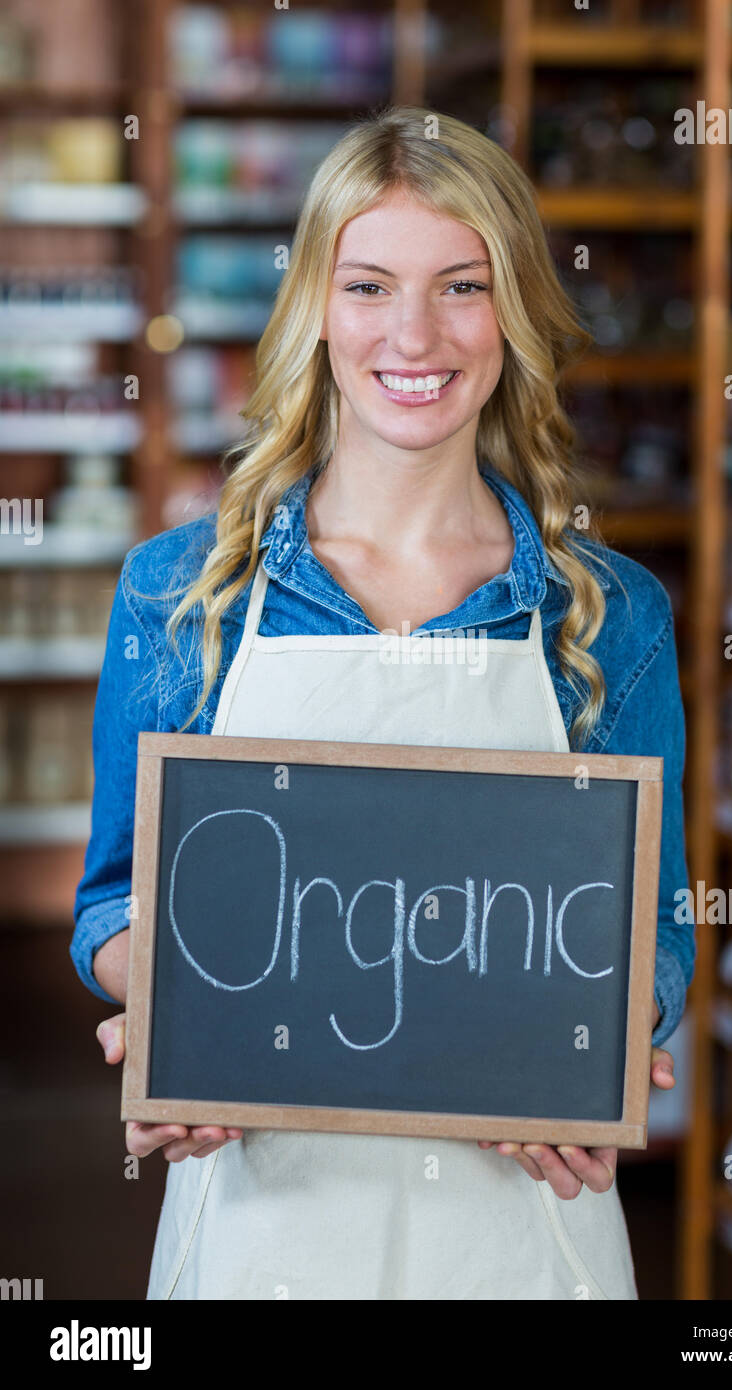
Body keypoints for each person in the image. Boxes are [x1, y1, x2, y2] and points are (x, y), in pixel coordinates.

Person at [72, 107, 694, 1301]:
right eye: (368, 284)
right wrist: (169, 1008)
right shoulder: (181, 593)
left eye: (461, 285)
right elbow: (112, 898)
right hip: (264, 1219)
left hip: (519, 1230)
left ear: (513, 308)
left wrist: (610, 1035)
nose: (413, 333)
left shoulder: (609, 614)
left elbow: (655, 920)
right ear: (314, 303)